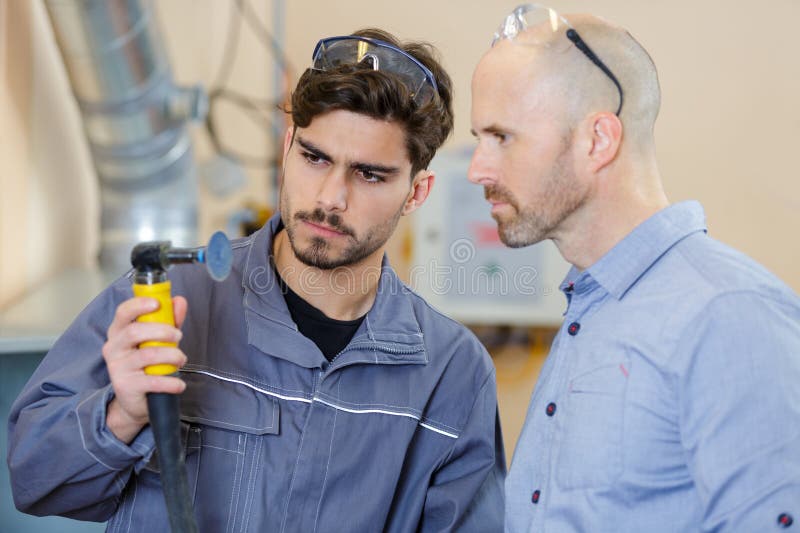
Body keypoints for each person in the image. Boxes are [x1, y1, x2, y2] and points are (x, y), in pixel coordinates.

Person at [8, 28, 505, 532]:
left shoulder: (452, 374)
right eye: (315, 158)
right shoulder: (171, 303)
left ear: (416, 193)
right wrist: (122, 415)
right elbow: (32, 481)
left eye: (369, 175)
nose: (331, 197)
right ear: (288, 146)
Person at [468, 5, 800, 533]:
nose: (476, 169)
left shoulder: (730, 315)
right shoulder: (591, 312)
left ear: (598, 141)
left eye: (501, 137)